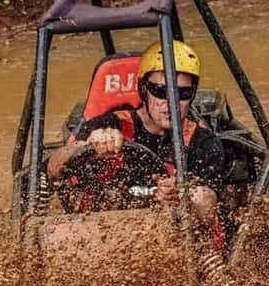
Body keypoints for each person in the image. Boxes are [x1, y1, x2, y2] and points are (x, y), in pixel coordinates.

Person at [46, 40, 226, 223]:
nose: (171, 103)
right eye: (160, 91)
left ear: (192, 95)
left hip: (170, 236)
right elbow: (53, 168)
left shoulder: (201, 140)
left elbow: (208, 206)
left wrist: (182, 193)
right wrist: (88, 145)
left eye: (183, 93)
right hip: (102, 229)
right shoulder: (110, 123)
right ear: (143, 90)